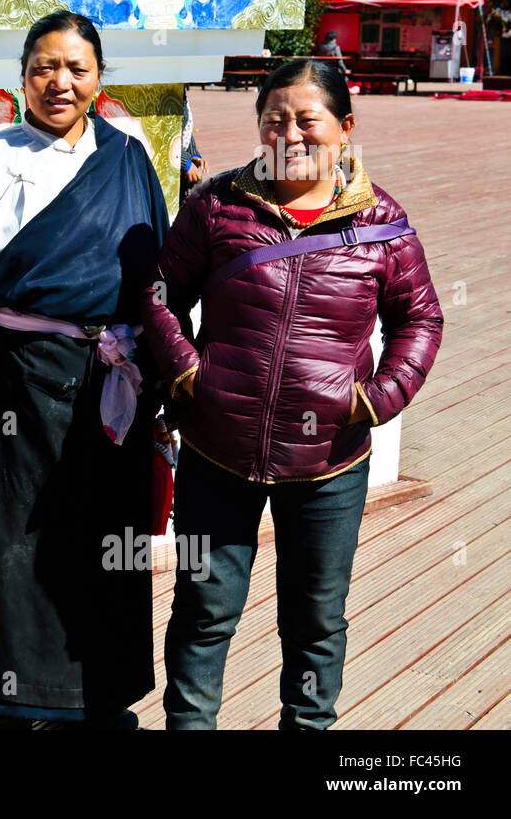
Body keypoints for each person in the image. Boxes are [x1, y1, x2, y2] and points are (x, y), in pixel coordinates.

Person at [142, 60, 443, 730]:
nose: (291, 133)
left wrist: (377, 399)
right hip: (218, 451)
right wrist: (189, 375)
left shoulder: (383, 224)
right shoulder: (217, 206)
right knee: (203, 609)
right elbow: (159, 296)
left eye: (308, 120)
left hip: (329, 462)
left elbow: (420, 319)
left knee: (314, 617)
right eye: (274, 119)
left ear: (345, 129)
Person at [0, 11, 169, 729]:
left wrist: (167, 375)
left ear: (100, 78)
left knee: (100, 541)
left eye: (76, 68)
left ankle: (98, 694)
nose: (60, 83)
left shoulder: (128, 158)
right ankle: (13, 699)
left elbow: (158, 280)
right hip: (12, 380)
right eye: (43, 68)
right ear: (22, 76)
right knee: (13, 541)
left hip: (108, 382)